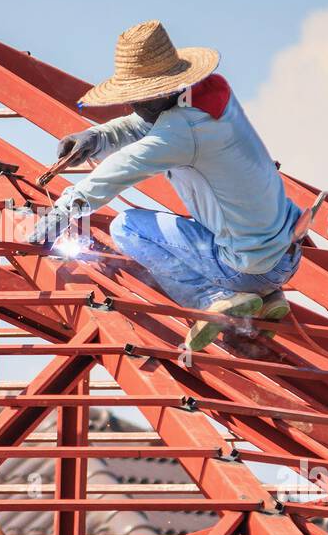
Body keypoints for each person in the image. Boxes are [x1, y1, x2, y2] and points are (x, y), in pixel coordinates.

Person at [29, 20, 304, 351]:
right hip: (285, 256)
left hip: (246, 266)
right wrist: (97, 137)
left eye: (139, 98)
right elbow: (147, 125)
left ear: (163, 91)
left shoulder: (181, 131)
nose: (133, 106)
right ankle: (268, 294)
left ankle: (212, 298)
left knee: (127, 227)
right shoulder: (209, 96)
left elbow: (124, 166)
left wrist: (64, 209)